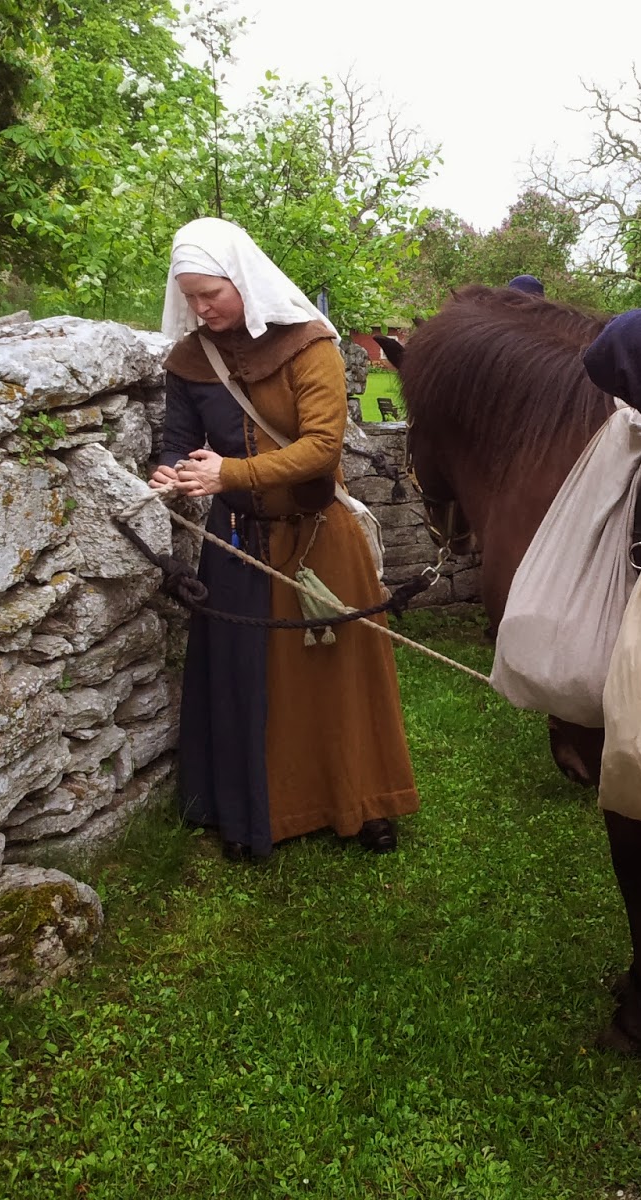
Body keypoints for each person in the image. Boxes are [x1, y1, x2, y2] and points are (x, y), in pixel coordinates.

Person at [151, 217, 420, 860]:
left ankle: (362, 806)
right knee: (248, 679)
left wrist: (230, 472)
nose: (199, 307)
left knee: (338, 683)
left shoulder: (309, 345)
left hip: (318, 537)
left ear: (241, 279)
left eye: (210, 293)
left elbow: (323, 448)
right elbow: (179, 439)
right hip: (238, 540)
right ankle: (252, 812)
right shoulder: (191, 359)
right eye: (188, 296)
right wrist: (170, 469)